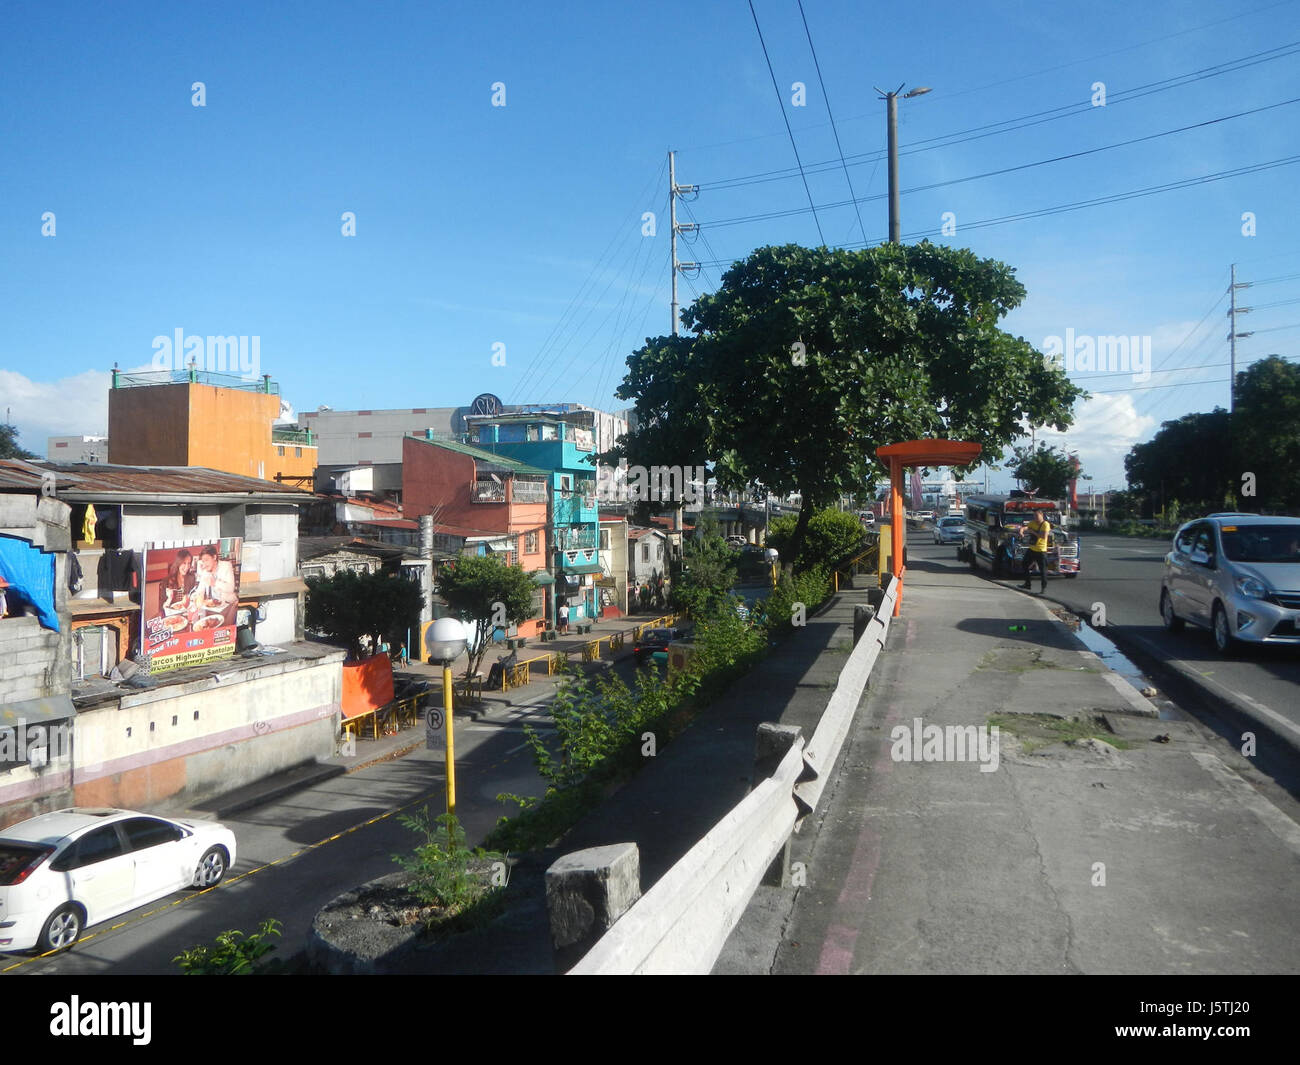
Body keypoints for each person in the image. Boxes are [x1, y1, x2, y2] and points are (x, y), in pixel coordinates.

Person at [1019, 512, 1051, 593]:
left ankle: (1043, 588)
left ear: (1042, 516)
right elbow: (1025, 528)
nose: (1035, 518)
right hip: (1032, 549)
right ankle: (1027, 584)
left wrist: (1033, 532)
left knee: (1043, 570)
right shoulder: (1032, 523)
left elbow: (1044, 536)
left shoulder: (1045, 524)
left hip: (1041, 550)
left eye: (1037, 516)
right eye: (1034, 516)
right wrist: (1021, 531)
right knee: (1024, 564)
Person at [159, 549, 194, 616]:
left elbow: (193, 598)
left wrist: (191, 597)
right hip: (172, 616)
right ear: (178, 563)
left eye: (189, 563)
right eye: (184, 563)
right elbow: (162, 608)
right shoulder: (166, 581)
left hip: (187, 614)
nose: (187, 567)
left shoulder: (191, 578)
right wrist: (169, 598)